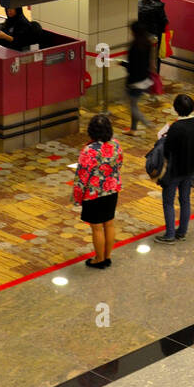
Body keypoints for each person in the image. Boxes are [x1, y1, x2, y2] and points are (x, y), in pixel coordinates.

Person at [72, 114, 122, 270]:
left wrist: (77, 197)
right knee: (109, 223)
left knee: (97, 227)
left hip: (94, 193)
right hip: (112, 189)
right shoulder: (116, 145)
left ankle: (98, 259)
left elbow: (82, 176)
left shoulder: (89, 151)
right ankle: (107, 256)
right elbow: (119, 165)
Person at [154, 93, 194, 244]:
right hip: (190, 168)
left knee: (168, 201)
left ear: (176, 109)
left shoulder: (176, 127)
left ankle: (169, 235)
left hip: (174, 171)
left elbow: (167, 149)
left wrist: (162, 138)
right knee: (185, 199)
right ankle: (182, 232)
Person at [120, 20, 154, 132]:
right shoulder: (147, 43)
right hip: (145, 79)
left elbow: (131, 68)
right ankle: (133, 129)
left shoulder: (134, 47)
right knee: (133, 104)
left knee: (132, 107)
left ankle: (147, 123)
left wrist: (122, 63)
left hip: (134, 82)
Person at [137, 0, 168, 77]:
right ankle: (154, 79)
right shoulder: (158, 6)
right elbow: (164, 22)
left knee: (142, 57)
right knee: (154, 59)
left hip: (141, 36)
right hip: (154, 37)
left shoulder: (138, 3)